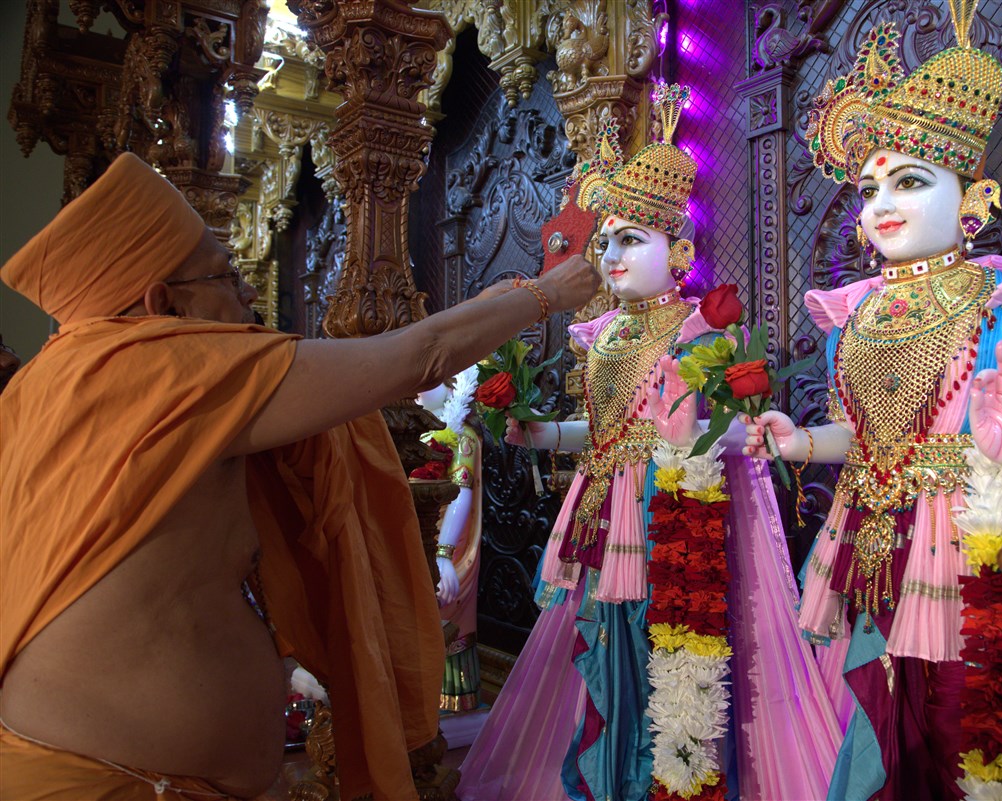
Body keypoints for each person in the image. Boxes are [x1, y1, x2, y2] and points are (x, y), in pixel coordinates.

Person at [0, 152, 599, 800]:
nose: (248, 294)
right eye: (226, 275)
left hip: (73, 750)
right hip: (106, 772)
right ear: (158, 302)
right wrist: (547, 293)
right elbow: (413, 358)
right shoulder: (165, 366)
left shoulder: (49, 378)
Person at [457, 85, 848, 801]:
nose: (609, 253)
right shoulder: (600, 334)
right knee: (602, 646)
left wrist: (689, 439)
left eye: (631, 238)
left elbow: (731, 431)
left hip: (671, 507)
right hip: (599, 510)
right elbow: (604, 430)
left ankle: (664, 779)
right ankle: (609, 781)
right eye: (604, 240)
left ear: (682, 247)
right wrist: (542, 431)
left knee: (667, 644)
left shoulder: (703, 330)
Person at [736, 14, 1002, 801]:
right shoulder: (853, 313)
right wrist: (799, 443)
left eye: (910, 181)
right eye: (869, 189)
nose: (881, 203)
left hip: (963, 543)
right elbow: (858, 437)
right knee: (865, 722)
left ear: (976, 198)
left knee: (966, 726)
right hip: (866, 542)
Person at [415, 366, 484, 714]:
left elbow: (462, 495)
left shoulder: (462, 437)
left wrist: (443, 554)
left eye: (423, 384)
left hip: (447, 536)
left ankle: (455, 698)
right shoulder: (413, 426)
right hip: (413, 530)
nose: (415, 393)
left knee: (443, 605)